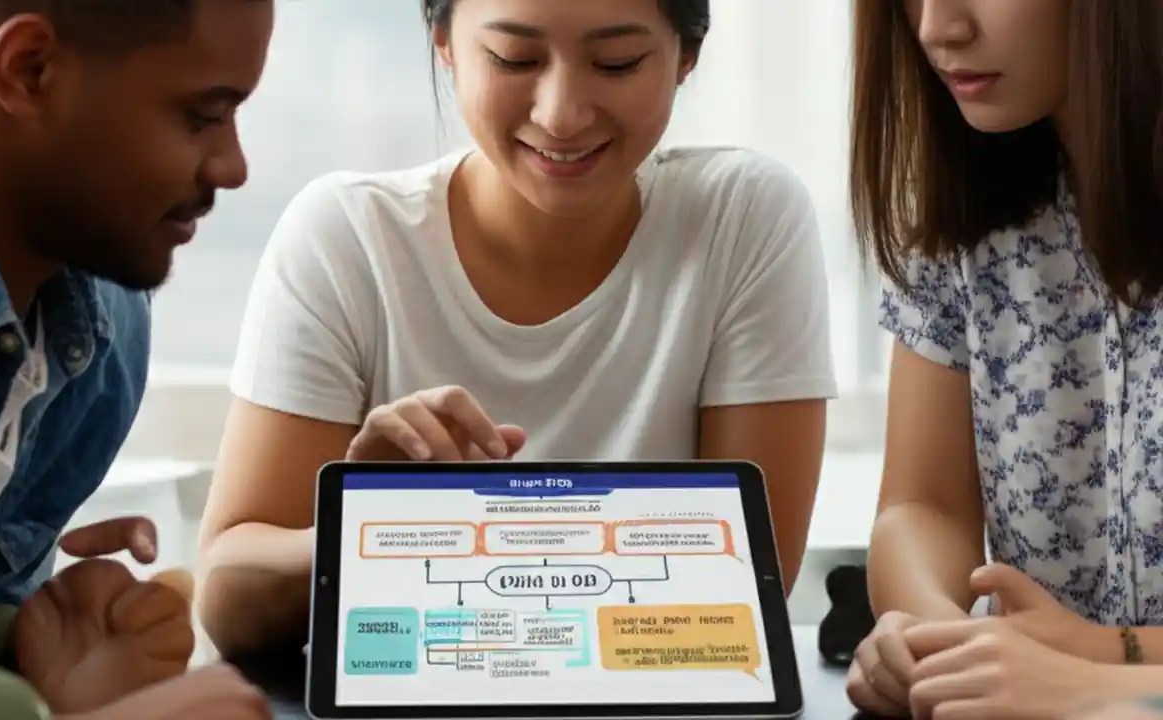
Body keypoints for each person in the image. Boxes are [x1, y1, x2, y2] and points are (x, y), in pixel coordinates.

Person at [196, 0, 838, 658]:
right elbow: (227, 606)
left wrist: (448, 539)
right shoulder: (348, 237)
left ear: (687, 57)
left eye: (617, 63)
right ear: (443, 42)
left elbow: (746, 587)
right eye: (513, 59)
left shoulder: (742, 220)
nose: (561, 114)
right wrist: (363, 523)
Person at [0, 0, 276, 717]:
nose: (233, 166)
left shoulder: (99, 329)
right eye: (201, 116)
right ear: (30, 71)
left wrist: (16, 649)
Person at [844, 0, 1163, 718]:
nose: (934, 28)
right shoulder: (970, 218)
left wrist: (1101, 671)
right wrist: (941, 643)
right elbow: (922, 506)